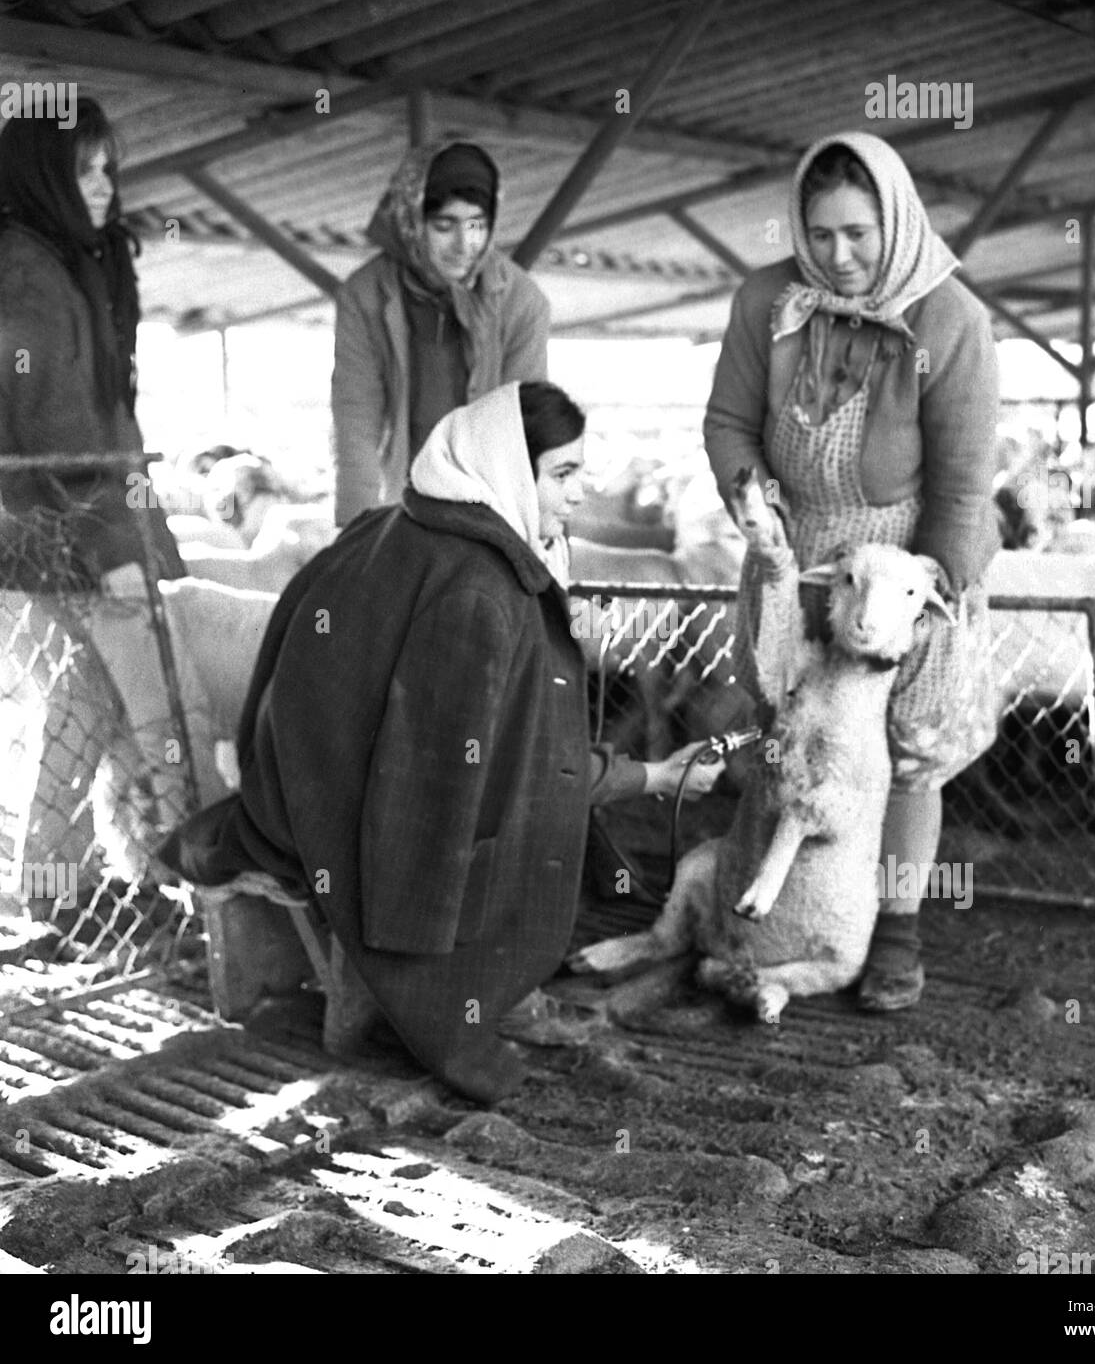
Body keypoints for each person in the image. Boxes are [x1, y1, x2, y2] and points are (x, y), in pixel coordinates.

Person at [158, 380, 722, 1104]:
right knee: (531, 837)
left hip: (290, 787)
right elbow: (519, 778)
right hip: (342, 819)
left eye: (582, 474)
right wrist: (653, 779)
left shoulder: (395, 525)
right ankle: (470, 990)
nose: (579, 496)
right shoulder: (481, 592)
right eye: (562, 475)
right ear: (509, 473)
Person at [703, 131, 1001, 1012]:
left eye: (858, 234)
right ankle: (776, 923)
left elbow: (961, 479)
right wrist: (748, 498)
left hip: (907, 562)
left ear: (895, 222)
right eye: (820, 233)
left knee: (902, 752)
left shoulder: (950, 320)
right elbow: (728, 420)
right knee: (792, 735)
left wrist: (927, 594)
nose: (837, 256)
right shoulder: (767, 300)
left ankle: (894, 936)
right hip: (795, 556)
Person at [0, 98, 188, 891]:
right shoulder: (27, 272)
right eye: (83, 170)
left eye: (109, 168)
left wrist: (156, 542)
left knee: (104, 701)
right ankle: (51, 891)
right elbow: (62, 431)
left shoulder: (75, 264)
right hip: (41, 541)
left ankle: (115, 876)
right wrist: (119, 551)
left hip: (76, 533)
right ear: (44, 174)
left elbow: (112, 424)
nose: (104, 186)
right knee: (84, 699)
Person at [331, 137, 550, 528]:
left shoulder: (521, 301)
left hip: (485, 500)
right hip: (402, 494)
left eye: (477, 225)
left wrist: (526, 528)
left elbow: (523, 421)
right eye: (444, 226)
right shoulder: (366, 294)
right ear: (413, 220)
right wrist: (358, 528)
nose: (464, 244)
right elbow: (357, 414)